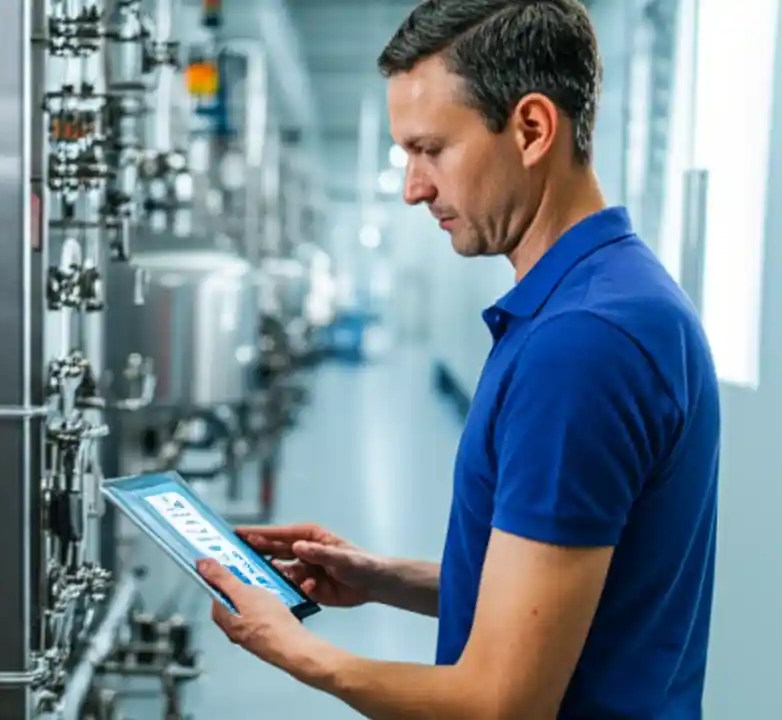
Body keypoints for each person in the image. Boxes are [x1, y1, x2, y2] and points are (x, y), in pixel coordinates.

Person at [195, 0, 721, 717]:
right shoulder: (612, 299)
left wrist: (299, 651)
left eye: (430, 149)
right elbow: (568, 590)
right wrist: (380, 577)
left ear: (532, 129)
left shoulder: (582, 345)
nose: (413, 187)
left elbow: (500, 704)